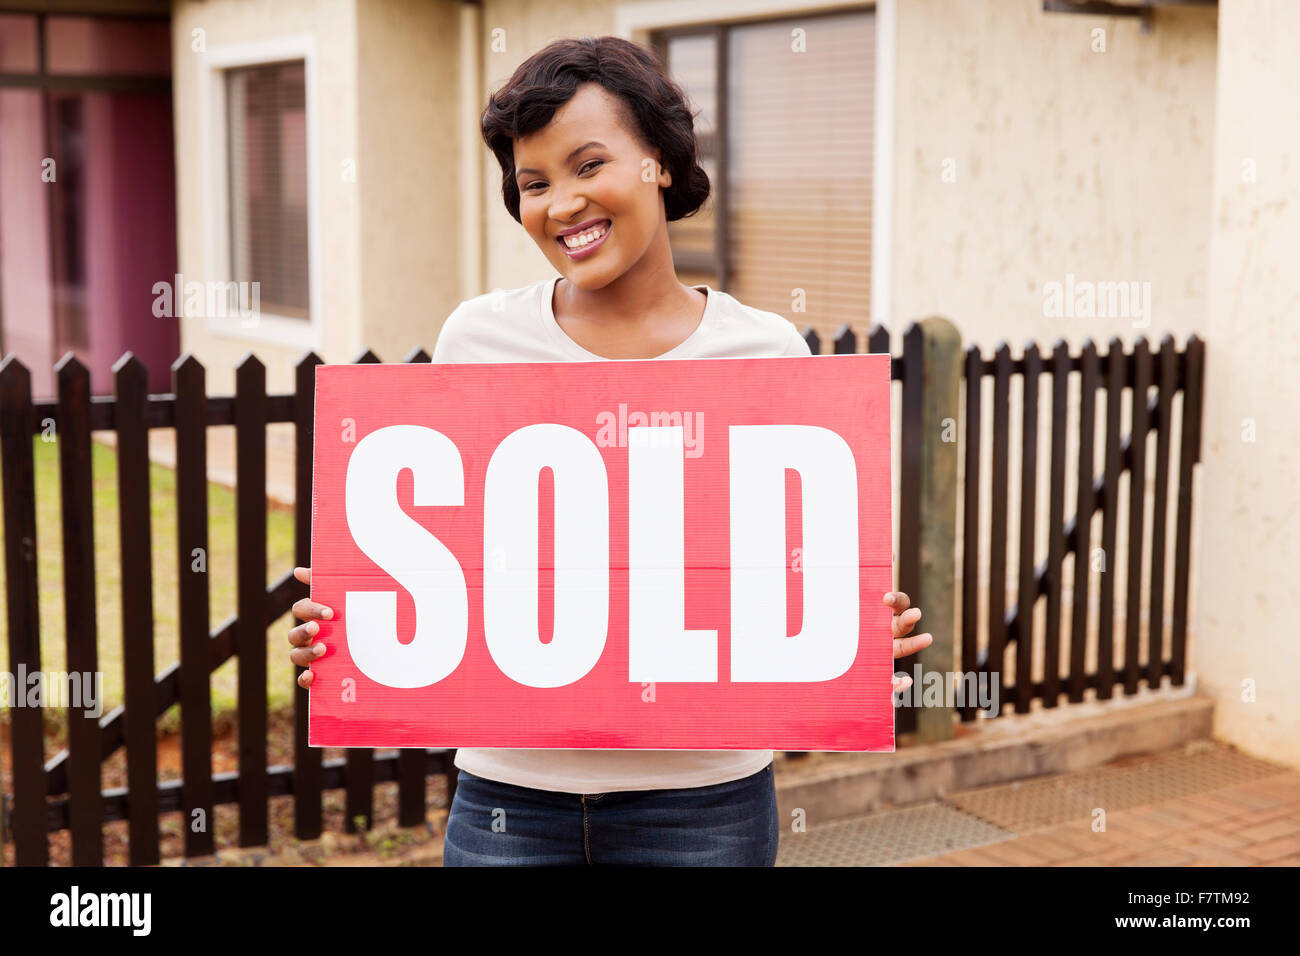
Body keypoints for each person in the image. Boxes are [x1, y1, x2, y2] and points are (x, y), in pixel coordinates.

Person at [286, 35, 932, 866]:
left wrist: (849, 640)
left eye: (590, 165)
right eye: (534, 183)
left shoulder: (765, 351)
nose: (562, 204)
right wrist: (352, 629)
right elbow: (452, 565)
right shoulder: (475, 338)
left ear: (659, 162)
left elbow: (789, 577)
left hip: (705, 805)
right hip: (507, 802)